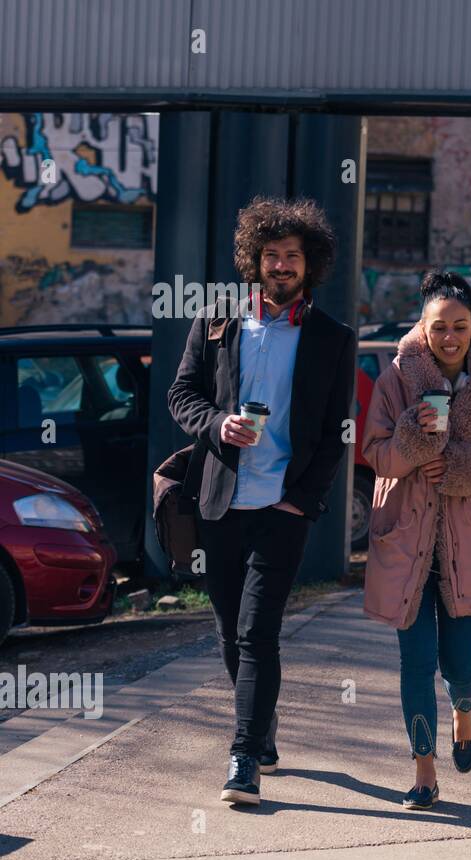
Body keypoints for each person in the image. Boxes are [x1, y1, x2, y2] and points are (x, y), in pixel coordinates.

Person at [167, 197, 357, 806]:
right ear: (254, 259)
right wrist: (218, 424)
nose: (280, 265)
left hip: (282, 508)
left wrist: (301, 501)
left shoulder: (332, 337)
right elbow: (181, 394)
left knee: (258, 633)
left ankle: (243, 756)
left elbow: (335, 432)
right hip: (219, 499)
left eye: (292, 257)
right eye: (271, 255)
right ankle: (263, 730)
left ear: (310, 264)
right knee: (229, 631)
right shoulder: (216, 321)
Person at [361, 272, 471, 809]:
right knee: (415, 662)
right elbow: (375, 452)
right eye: (439, 327)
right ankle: (424, 770)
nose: (450, 337)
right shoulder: (395, 379)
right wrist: (412, 436)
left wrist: (463, 468)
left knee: (459, 663)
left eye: (460, 326)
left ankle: (465, 706)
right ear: (424, 328)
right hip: (407, 542)